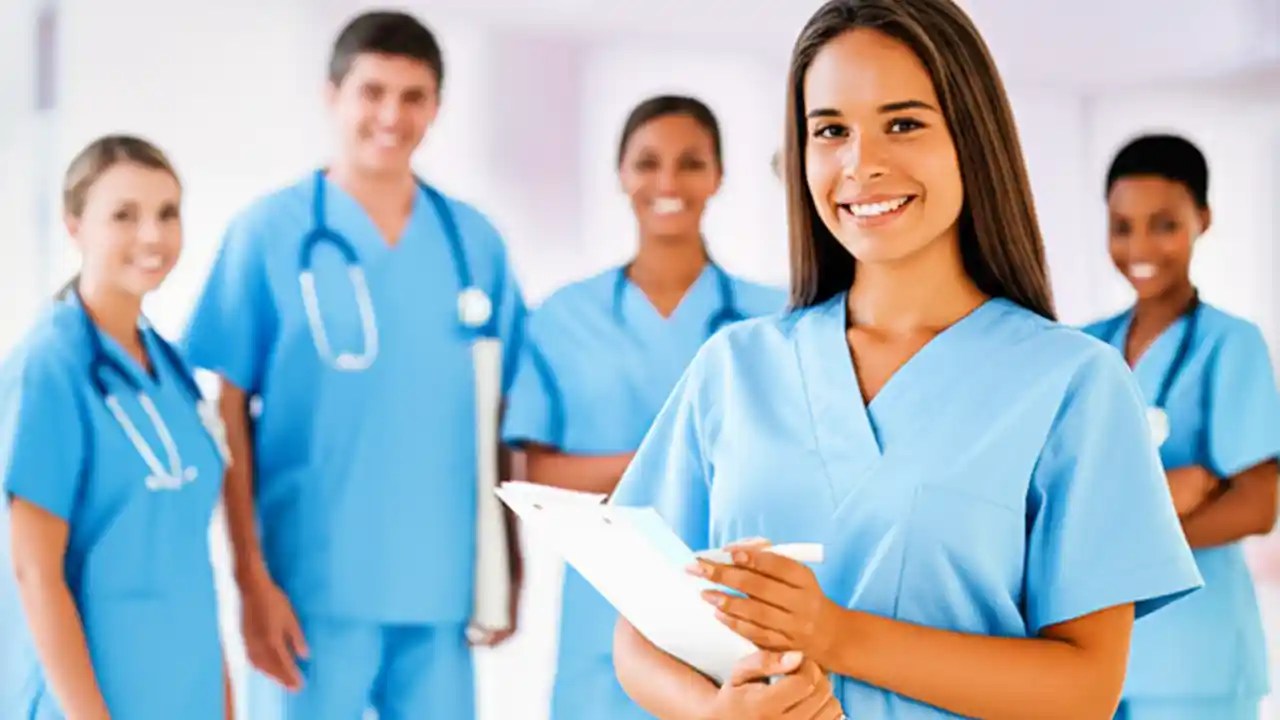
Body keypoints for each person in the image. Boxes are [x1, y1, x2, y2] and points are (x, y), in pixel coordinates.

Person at [607, 1, 1206, 718]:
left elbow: (1085, 688)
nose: (862, 164)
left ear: (971, 137)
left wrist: (836, 635)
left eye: (904, 123)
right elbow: (639, 636)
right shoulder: (734, 368)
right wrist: (714, 714)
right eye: (830, 130)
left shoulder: (1073, 383)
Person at [181, 10, 525, 720]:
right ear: (331, 94)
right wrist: (249, 580)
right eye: (372, 92)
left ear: (436, 106)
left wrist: (505, 565)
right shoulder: (269, 232)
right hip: (307, 590)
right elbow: (226, 416)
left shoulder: (473, 243)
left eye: (413, 96)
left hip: (438, 589)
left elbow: (501, 416)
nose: (391, 115)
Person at [501, 94, 787, 720]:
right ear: (620, 174)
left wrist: (633, 475)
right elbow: (533, 473)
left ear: (718, 177)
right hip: (602, 602)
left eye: (690, 163)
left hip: (728, 601)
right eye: (647, 162)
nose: (667, 182)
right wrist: (674, 464)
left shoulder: (773, 319)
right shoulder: (562, 317)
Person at [0, 135, 230, 719]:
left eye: (166, 214)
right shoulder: (51, 367)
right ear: (74, 225)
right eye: (124, 215)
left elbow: (186, 559)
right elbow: (33, 572)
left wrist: (223, 700)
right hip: (94, 701)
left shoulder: (171, 368)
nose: (151, 235)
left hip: (186, 693)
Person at [1081, 134, 1280, 720]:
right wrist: (1172, 498)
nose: (1140, 246)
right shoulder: (1086, 348)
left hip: (1199, 658)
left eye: (1164, 224)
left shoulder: (1231, 345)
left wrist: (1117, 538)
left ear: (1203, 220)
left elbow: (1257, 505)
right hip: (1096, 655)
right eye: (1122, 226)